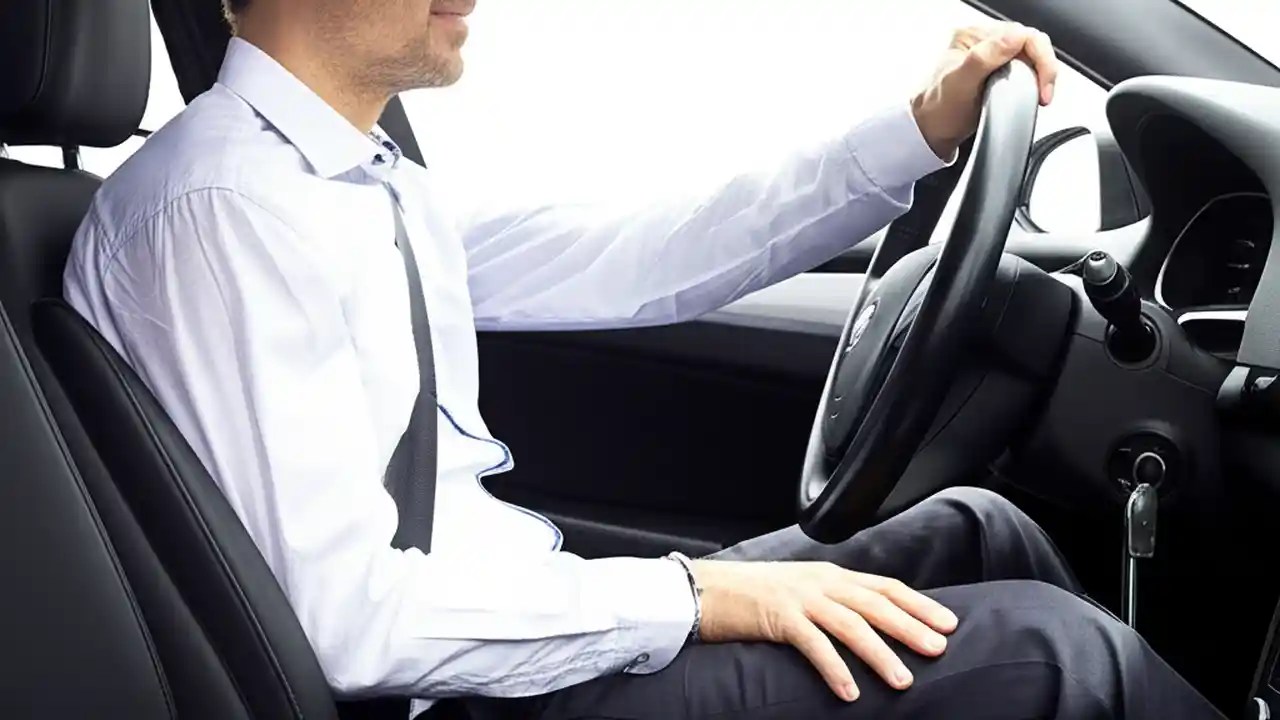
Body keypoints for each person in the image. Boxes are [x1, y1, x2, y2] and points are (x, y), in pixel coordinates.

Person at [63, 1, 1225, 718]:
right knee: (1063, 664)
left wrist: (914, 129)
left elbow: (635, 253)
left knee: (979, 530)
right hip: (449, 698)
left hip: (492, 646)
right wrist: (701, 592)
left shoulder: (346, 181)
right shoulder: (222, 212)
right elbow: (350, 624)